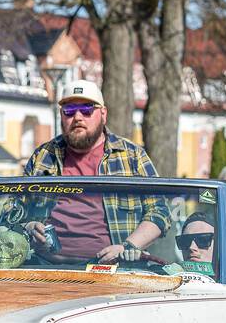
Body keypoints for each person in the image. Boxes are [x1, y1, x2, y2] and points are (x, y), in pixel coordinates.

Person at [20, 77, 170, 263]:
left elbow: (160, 212)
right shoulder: (43, 156)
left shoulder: (132, 156)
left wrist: (127, 247)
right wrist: (29, 226)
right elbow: (13, 207)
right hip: (47, 266)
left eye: (87, 109)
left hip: (113, 268)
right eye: (69, 111)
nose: (77, 117)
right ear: (61, 115)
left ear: (103, 114)